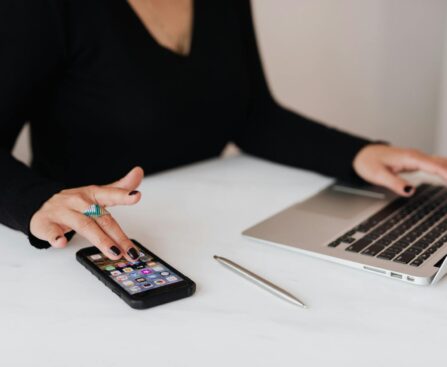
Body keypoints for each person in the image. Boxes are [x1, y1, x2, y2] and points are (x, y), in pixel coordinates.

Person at [1, 0, 446, 262]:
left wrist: (358, 154)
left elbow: (251, 114)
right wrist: (38, 201)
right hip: (91, 245)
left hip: (213, 235)